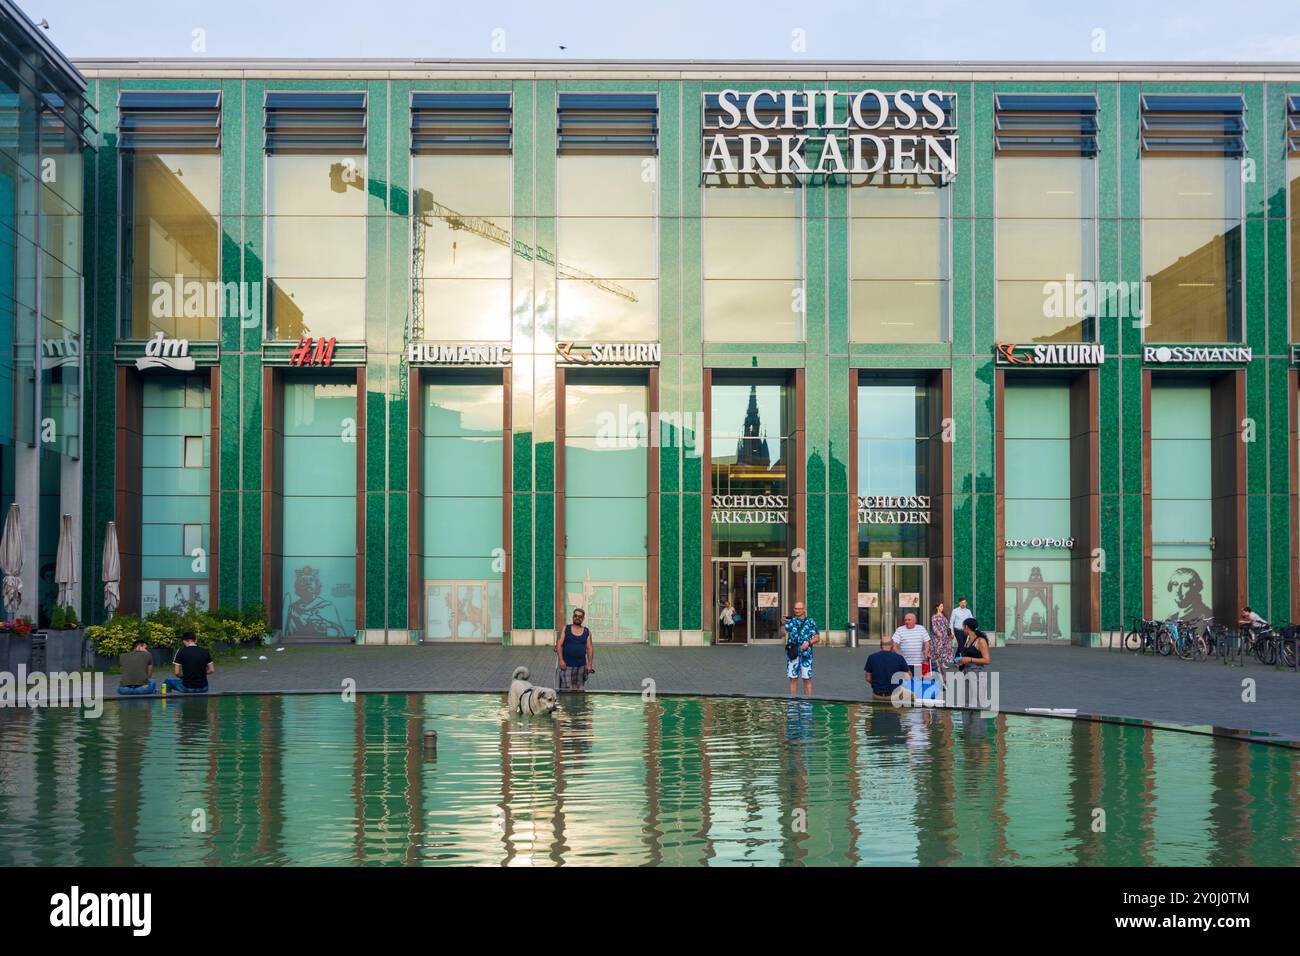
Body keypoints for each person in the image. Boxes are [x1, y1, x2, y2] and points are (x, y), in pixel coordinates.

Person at [783, 601, 820, 696]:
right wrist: (782, 624)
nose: (797, 611)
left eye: (799, 609)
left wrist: (809, 642)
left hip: (806, 655)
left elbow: (817, 637)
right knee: (793, 679)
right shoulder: (791, 621)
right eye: (795, 608)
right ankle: (793, 703)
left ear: (804, 610)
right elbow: (782, 633)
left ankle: (807, 704)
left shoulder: (810, 621)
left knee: (807, 679)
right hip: (793, 654)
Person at [864, 634, 912, 702]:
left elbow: (868, 678)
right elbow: (909, 676)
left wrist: (876, 684)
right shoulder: (899, 658)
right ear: (892, 645)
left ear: (881, 645)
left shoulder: (871, 657)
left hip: (877, 695)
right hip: (894, 695)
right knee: (912, 696)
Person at [556, 607, 594, 691]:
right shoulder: (566, 629)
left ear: (583, 619)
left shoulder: (587, 631)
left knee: (579, 689)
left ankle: (579, 704)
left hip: (581, 666)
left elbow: (589, 648)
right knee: (566, 690)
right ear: (573, 616)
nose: (577, 618)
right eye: (575, 616)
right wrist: (561, 660)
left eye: (580, 617)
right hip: (567, 665)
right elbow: (559, 645)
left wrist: (590, 664)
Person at [166, 627, 213, 694]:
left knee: (167, 682)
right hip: (203, 687)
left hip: (187, 687)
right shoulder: (205, 651)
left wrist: (183, 677)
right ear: (195, 640)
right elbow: (211, 670)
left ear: (184, 641)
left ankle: (166, 703)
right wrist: (201, 674)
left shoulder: (181, 651)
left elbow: (177, 673)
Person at [892, 612, 931, 677]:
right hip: (904, 663)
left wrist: (926, 651)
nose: (906, 621)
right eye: (905, 620)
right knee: (906, 683)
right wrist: (898, 653)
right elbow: (893, 643)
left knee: (917, 682)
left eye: (909, 620)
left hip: (918, 662)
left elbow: (927, 641)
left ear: (915, 620)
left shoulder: (921, 628)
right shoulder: (900, 629)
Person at [929, 601, 954, 670]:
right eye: (941, 606)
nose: (942, 608)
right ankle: (937, 663)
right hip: (938, 637)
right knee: (938, 650)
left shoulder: (944, 615)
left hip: (945, 636)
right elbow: (934, 626)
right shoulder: (934, 616)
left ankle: (943, 663)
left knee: (946, 649)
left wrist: (950, 634)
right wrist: (937, 632)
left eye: (942, 606)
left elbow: (947, 626)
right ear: (937, 607)